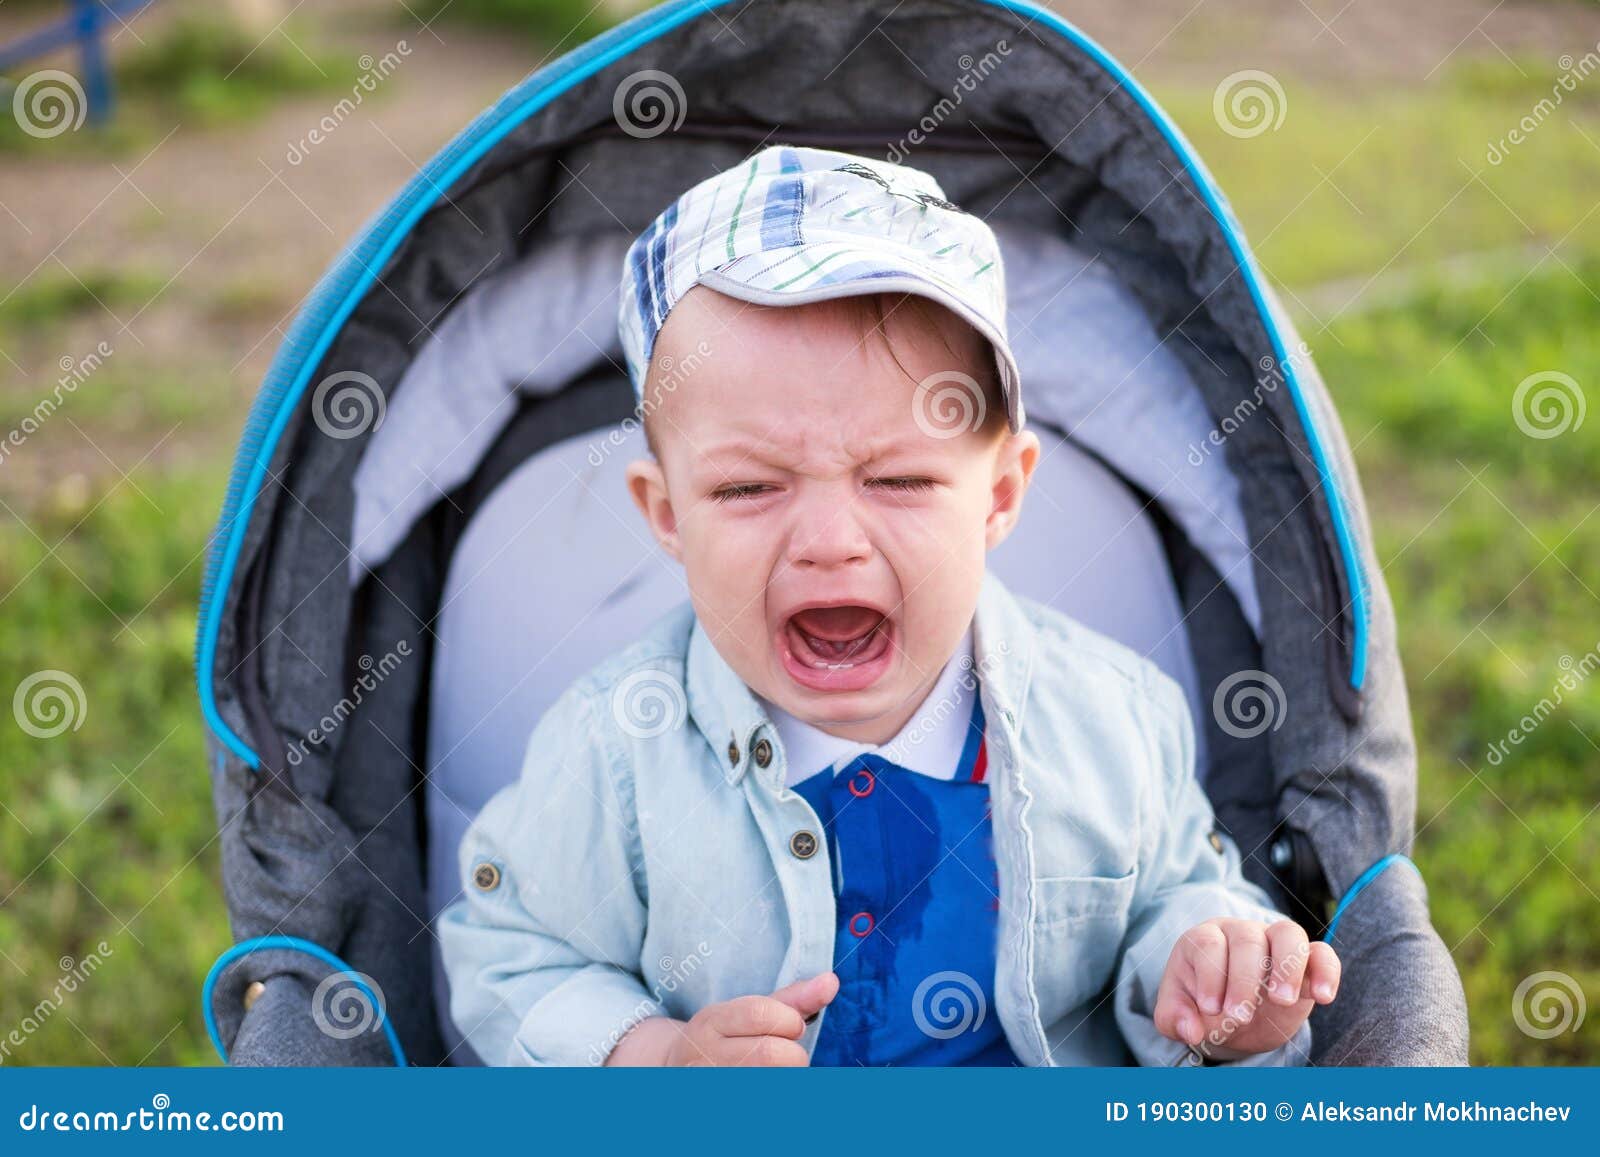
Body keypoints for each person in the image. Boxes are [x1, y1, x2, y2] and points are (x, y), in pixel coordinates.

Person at [437, 145, 1340, 1067]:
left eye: (900, 478)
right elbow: (509, 952)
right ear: (668, 516)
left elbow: (1175, 895)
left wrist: (1212, 976)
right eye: (749, 488)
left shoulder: (1112, 718)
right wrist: (655, 1056)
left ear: (997, 496)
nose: (829, 540)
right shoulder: (617, 752)